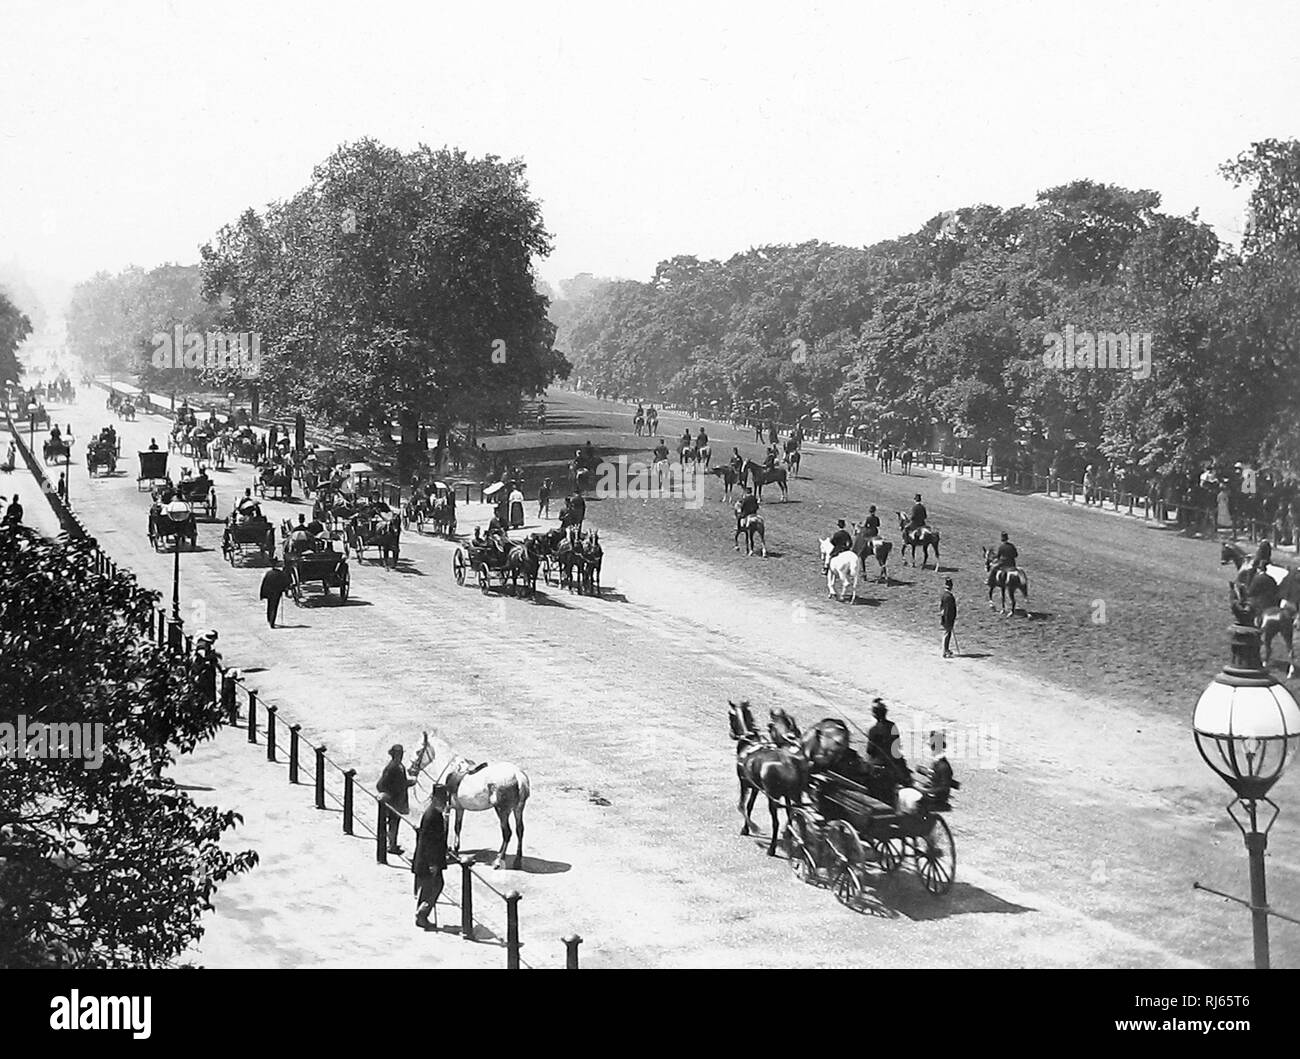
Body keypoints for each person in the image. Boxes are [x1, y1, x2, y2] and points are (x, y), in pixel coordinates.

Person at [413, 784, 452, 929]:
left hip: (429, 859)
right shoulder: (433, 816)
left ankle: (422, 914)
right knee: (434, 886)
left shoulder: (434, 813)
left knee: (428, 887)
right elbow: (430, 842)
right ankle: (422, 913)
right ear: (435, 799)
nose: (444, 803)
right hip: (429, 860)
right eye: (442, 800)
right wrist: (432, 863)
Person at [377, 744, 417, 855]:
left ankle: (392, 843)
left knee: (394, 823)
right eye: (400, 754)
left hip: (398, 800)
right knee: (393, 823)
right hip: (394, 801)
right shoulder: (392, 767)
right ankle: (391, 845)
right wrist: (409, 782)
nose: (401, 756)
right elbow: (382, 784)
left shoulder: (399, 766)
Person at [259, 557, 292, 628]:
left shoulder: (269, 573)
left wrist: (262, 594)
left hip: (269, 593)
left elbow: (264, 584)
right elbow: (286, 582)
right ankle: (272, 621)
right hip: (277, 593)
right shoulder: (281, 573)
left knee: (269, 606)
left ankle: (269, 619)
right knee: (275, 607)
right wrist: (285, 590)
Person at [939, 577, 958, 658]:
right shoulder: (949, 596)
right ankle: (944, 651)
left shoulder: (944, 595)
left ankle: (946, 649)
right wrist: (950, 619)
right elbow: (949, 610)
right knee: (947, 634)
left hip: (945, 617)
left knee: (948, 633)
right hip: (948, 618)